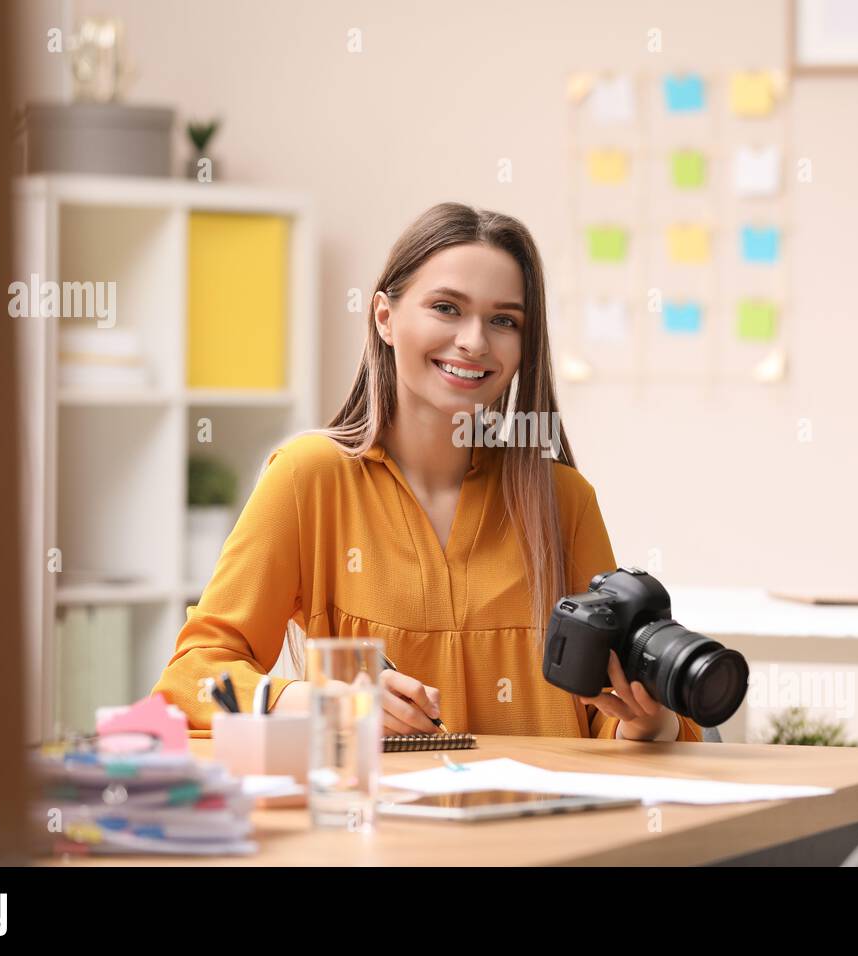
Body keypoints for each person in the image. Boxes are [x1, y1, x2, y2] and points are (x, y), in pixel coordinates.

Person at [152, 202, 701, 743]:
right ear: (385, 318)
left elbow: (609, 714)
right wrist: (316, 702)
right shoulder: (308, 478)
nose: (474, 341)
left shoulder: (562, 498)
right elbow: (190, 677)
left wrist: (648, 725)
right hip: (380, 827)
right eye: (446, 307)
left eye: (503, 320)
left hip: (554, 826)